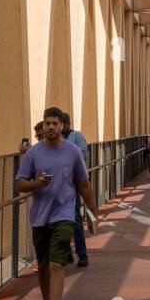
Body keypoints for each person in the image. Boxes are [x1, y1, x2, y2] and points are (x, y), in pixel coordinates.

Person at [16, 107, 99, 300]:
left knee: (56, 265)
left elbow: (83, 183)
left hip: (64, 215)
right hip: (40, 216)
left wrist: (93, 211)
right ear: (42, 127)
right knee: (42, 267)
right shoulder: (33, 154)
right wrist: (37, 184)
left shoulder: (73, 152)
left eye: (54, 123)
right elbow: (20, 185)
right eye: (47, 124)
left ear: (62, 126)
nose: (50, 127)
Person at [61, 112, 90, 267]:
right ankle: (66, 253)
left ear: (66, 124)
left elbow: (82, 154)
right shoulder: (54, 140)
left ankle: (82, 254)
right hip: (58, 187)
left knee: (75, 219)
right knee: (60, 219)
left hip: (72, 185)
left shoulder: (76, 136)